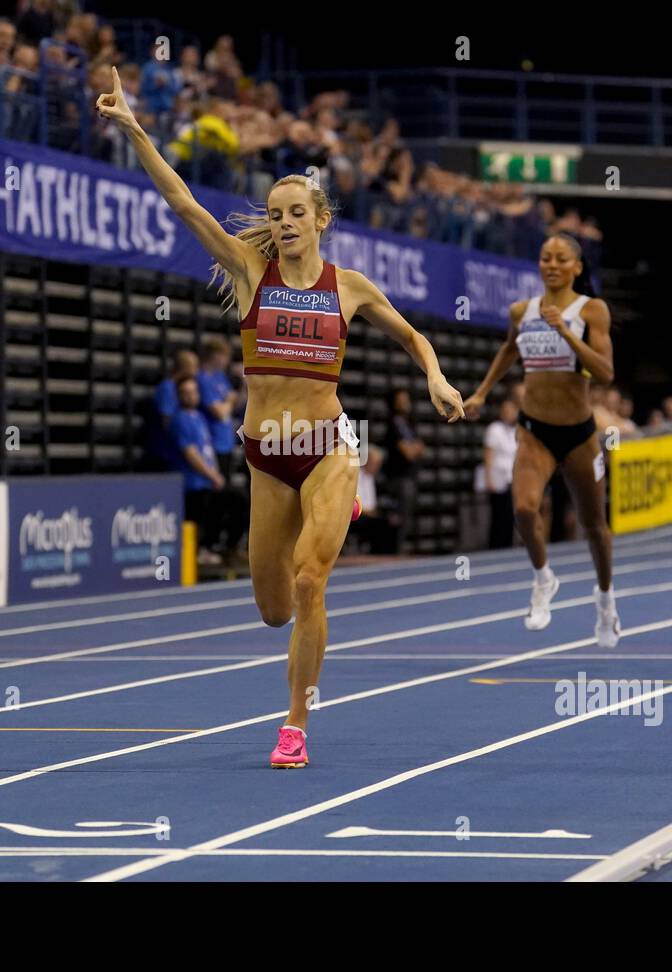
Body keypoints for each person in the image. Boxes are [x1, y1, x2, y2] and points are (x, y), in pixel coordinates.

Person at [97, 67, 465, 768]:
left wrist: (436, 376)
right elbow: (184, 205)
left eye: (297, 212)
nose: (285, 222)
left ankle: (295, 720)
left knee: (309, 579)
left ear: (321, 220)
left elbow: (412, 334)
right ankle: (313, 555)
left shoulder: (349, 288)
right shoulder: (246, 273)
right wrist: (136, 130)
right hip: (268, 455)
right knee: (273, 609)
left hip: (328, 445)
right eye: (276, 212)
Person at [463, 233, 622, 648]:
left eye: (561, 258)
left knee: (594, 526)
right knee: (523, 509)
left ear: (577, 267)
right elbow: (507, 350)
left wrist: (568, 335)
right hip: (534, 430)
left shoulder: (592, 310)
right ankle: (542, 578)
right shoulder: (522, 311)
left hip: (580, 434)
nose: (551, 264)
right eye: (545, 257)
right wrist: (481, 392)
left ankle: (605, 600)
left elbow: (605, 373)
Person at [169, 375, 245, 564]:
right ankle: (202, 549)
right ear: (178, 395)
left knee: (237, 500)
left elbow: (207, 449)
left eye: (193, 392)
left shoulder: (200, 417)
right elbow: (191, 453)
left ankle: (223, 546)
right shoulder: (180, 419)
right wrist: (213, 475)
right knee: (212, 509)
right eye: (185, 393)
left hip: (208, 480)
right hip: (195, 482)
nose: (190, 396)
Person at [381, 388, 424, 554]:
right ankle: (395, 550)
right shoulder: (393, 424)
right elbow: (409, 452)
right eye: (402, 400)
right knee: (401, 516)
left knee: (407, 516)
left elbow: (420, 447)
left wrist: (414, 448)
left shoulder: (408, 423)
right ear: (395, 403)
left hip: (409, 477)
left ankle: (399, 547)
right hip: (397, 478)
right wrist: (413, 448)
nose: (405, 403)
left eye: (407, 399)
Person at [196, 337, 239, 485]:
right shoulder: (202, 378)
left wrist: (243, 388)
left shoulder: (220, 377)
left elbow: (234, 404)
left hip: (226, 440)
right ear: (214, 356)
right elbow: (220, 413)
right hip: (213, 442)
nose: (226, 361)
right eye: (224, 356)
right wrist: (229, 401)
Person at [482, 397, 518, 549]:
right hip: (498, 479)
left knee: (510, 516)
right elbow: (488, 455)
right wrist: (488, 478)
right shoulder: (494, 429)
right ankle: (495, 545)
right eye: (506, 411)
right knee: (498, 516)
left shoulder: (515, 430)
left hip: (512, 478)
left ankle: (507, 545)